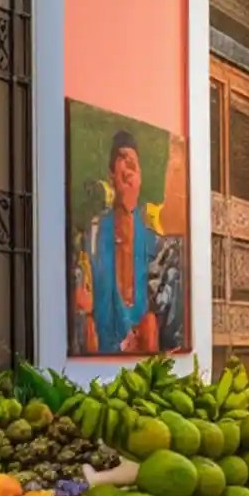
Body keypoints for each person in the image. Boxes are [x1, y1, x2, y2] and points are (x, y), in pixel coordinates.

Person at [77, 131, 161, 354]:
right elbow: (83, 299)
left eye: (135, 163)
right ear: (111, 175)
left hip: (142, 357)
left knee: (151, 324)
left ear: (141, 178)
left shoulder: (152, 239)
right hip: (103, 350)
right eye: (123, 159)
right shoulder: (94, 232)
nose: (130, 167)